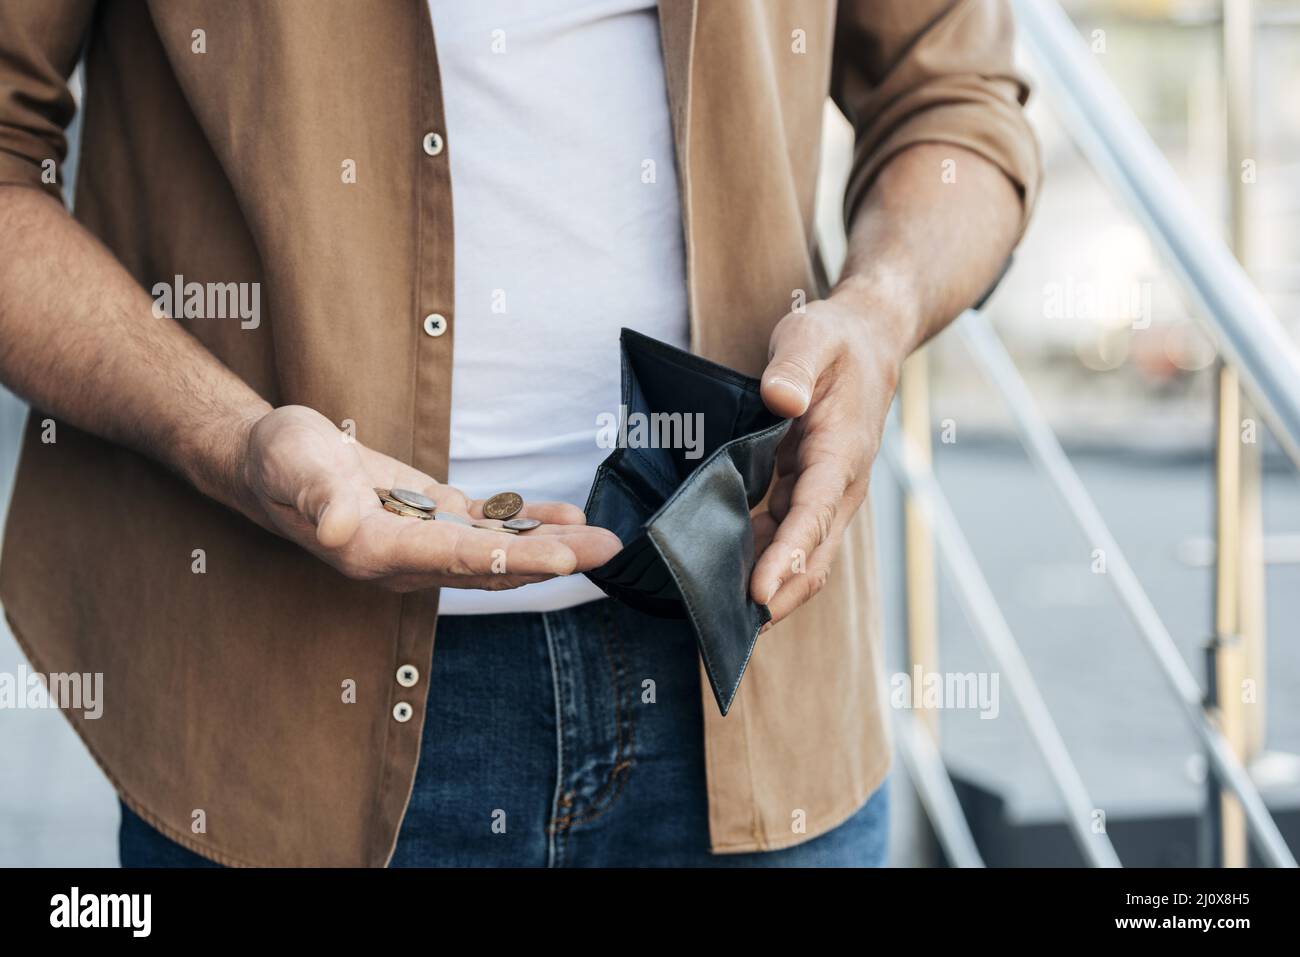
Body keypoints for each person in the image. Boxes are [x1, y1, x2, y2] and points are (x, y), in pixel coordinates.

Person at [0, 0, 1039, 867]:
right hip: (273, 709)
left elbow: (951, 99)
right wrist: (228, 438)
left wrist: (880, 309)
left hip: (755, 685)